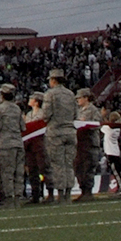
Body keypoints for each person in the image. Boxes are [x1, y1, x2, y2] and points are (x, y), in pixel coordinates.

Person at [43, 69, 78, 203]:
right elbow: (75, 114)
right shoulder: (70, 94)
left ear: (53, 80)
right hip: (70, 131)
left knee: (57, 164)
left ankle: (61, 193)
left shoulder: (50, 94)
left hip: (55, 133)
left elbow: (46, 115)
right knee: (69, 164)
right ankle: (69, 192)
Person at [0, 84, 25, 205]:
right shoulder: (17, 109)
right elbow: (23, 127)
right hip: (18, 142)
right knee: (19, 172)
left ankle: (9, 197)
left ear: (2, 96)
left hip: (6, 143)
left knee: (7, 172)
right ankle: (18, 196)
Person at [72, 89, 102, 199]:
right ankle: (83, 190)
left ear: (86, 98)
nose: (78, 100)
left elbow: (98, 124)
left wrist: (86, 122)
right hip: (79, 143)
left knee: (88, 167)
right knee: (78, 168)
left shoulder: (93, 110)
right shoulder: (78, 111)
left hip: (90, 142)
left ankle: (88, 191)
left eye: (79, 98)